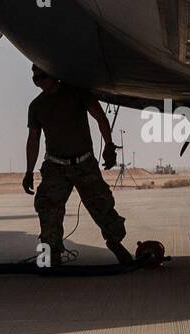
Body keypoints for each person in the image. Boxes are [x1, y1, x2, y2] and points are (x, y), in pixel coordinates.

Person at [23, 65, 131, 266]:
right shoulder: (36, 106)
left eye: (42, 76)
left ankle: (116, 243)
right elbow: (33, 139)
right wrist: (29, 171)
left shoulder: (77, 93)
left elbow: (100, 117)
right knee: (48, 211)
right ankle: (50, 256)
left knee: (103, 206)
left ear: (54, 75)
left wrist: (109, 145)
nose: (39, 81)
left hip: (84, 163)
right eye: (35, 78)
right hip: (55, 166)